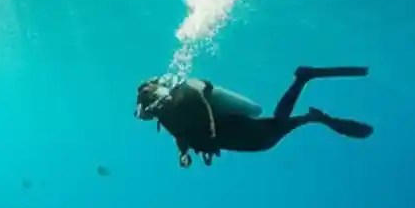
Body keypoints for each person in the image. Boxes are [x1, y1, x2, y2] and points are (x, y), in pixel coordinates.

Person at [135, 66, 373, 167]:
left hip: (242, 136)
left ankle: (303, 82)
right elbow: (184, 134)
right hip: (236, 132)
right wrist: (184, 153)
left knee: (275, 128)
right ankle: (312, 115)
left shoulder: (168, 113)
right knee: (278, 126)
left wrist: (186, 151)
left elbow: (185, 131)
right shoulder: (170, 110)